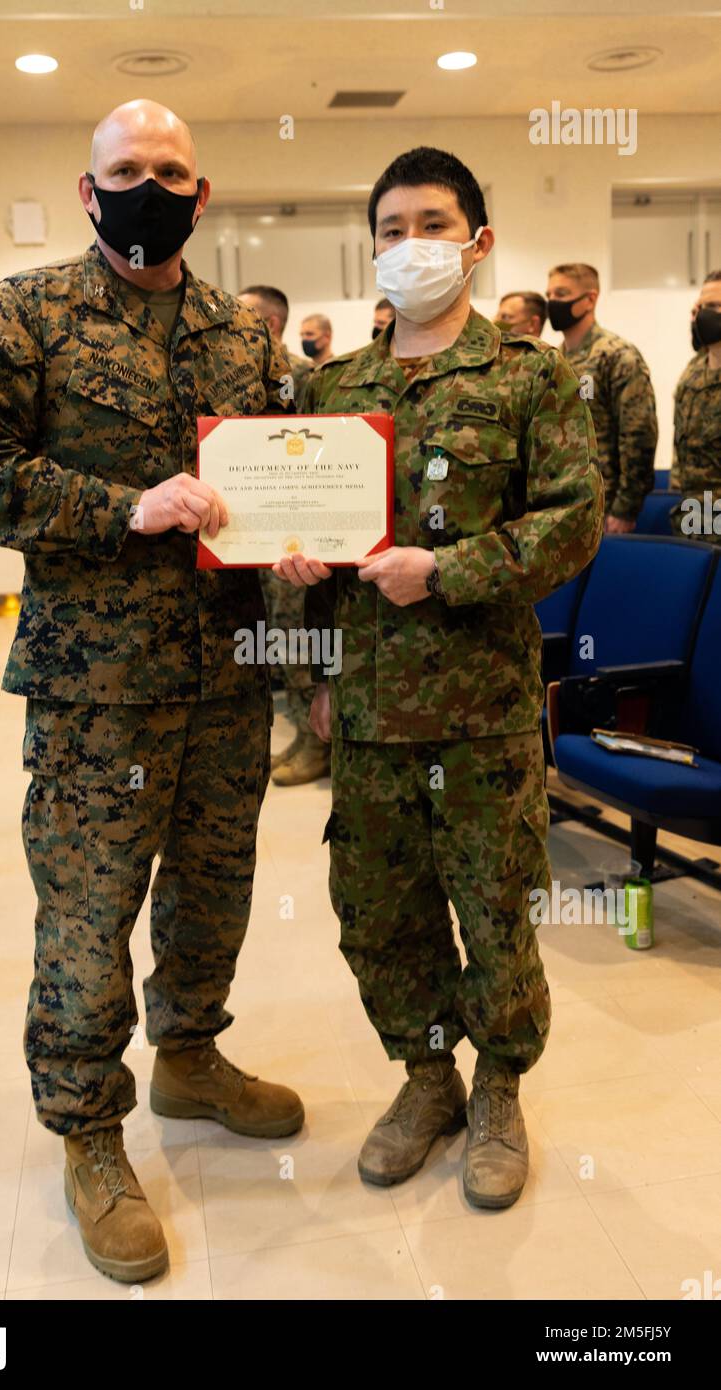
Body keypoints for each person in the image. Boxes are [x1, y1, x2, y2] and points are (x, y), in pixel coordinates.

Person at [0, 99, 304, 1286]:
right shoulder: (23, 316)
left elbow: (301, 467)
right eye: (125, 169)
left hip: (228, 678)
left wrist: (304, 541)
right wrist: (121, 509)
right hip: (98, 692)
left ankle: (189, 1054)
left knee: (215, 889)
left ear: (201, 195)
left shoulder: (240, 334)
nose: (150, 184)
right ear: (90, 194)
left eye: (172, 170)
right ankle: (90, 1131)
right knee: (88, 921)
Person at [276, 146, 602, 1208]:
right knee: (378, 914)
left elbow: (570, 522)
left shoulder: (527, 377)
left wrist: (448, 570)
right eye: (388, 228)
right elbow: (308, 549)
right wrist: (300, 596)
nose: (407, 245)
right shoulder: (334, 387)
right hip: (367, 712)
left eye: (429, 223)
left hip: (480, 710)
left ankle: (499, 1087)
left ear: (476, 240)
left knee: (494, 904)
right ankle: (427, 1079)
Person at [237, 286, 327, 784]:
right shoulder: (233, 375)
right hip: (253, 531)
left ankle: (317, 743)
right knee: (275, 638)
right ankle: (298, 731)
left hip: (298, 534)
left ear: (270, 324)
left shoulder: (303, 377)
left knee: (298, 639)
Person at [547, 262, 656, 531]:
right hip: (562, 507)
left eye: (560, 294)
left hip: (606, 509)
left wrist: (625, 508)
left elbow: (638, 433)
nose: (552, 303)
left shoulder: (617, 355)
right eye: (548, 295)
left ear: (590, 299)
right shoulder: (554, 360)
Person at [669, 270, 721, 544]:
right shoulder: (694, 370)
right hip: (694, 524)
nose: (703, 315)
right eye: (702, 307)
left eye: (714, 307)